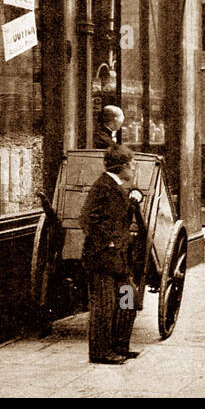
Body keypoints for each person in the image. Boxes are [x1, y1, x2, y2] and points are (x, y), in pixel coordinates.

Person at [80, 144, 141, 363]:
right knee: (104, 306)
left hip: (118, 260)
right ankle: (100, 353)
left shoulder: (115, 186)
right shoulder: (103, 186)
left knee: (128, 300)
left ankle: (119, 346)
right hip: (103, 259)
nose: (134, 167)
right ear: (123, 165)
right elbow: (86, 219)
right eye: (132, 163)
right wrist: (109, 243)